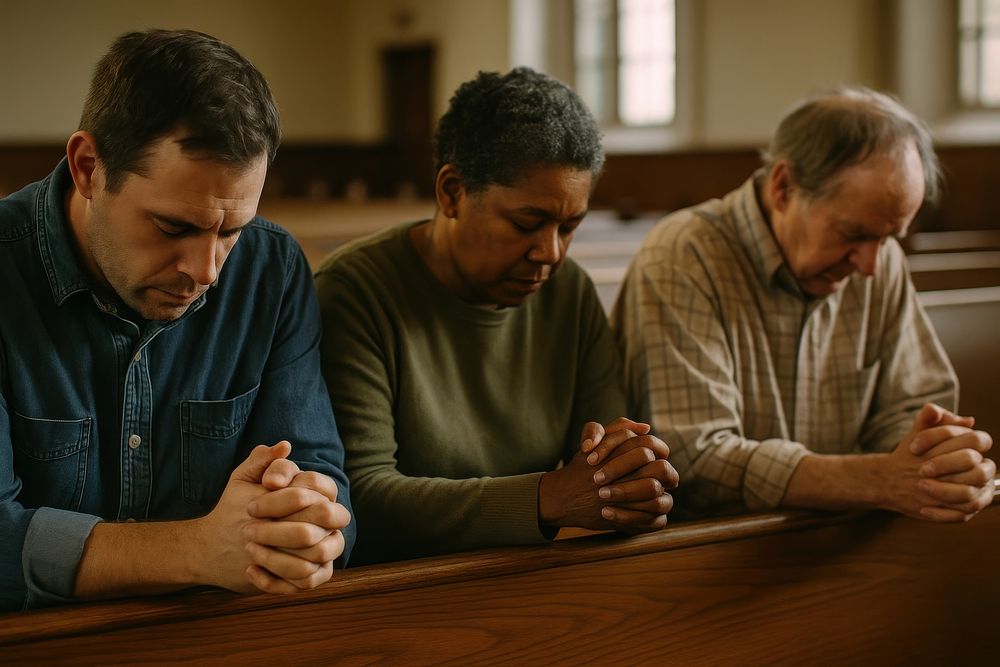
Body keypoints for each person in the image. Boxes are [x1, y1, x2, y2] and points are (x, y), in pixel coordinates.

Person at [0, 29, 354, 611]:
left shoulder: (273, 268)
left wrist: (305, 521)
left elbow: (321, 474)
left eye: (232, 231)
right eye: (173, 227)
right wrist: (195, 549)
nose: (207, 269)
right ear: (89, 168)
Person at [315, 68, 678, 565]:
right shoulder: (356, 292)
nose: (550, 253)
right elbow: (360, 497)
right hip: (394, 591)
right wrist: (546, 498)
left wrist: (630, 478)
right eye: (527, 223)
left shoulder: (568, 290)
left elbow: (607, 455)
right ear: (452, 192)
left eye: (570, 226)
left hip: (530, 574)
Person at [613, 86, 995, 522]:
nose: (871, 266)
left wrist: (938, 462)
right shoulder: (684, 255)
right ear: (783, 187)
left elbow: (912, 407)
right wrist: (879, 480)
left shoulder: (879, 261)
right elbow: (695, 458)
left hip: (850, 543)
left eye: (889, 237)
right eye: (854, 234)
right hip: (709, 560)